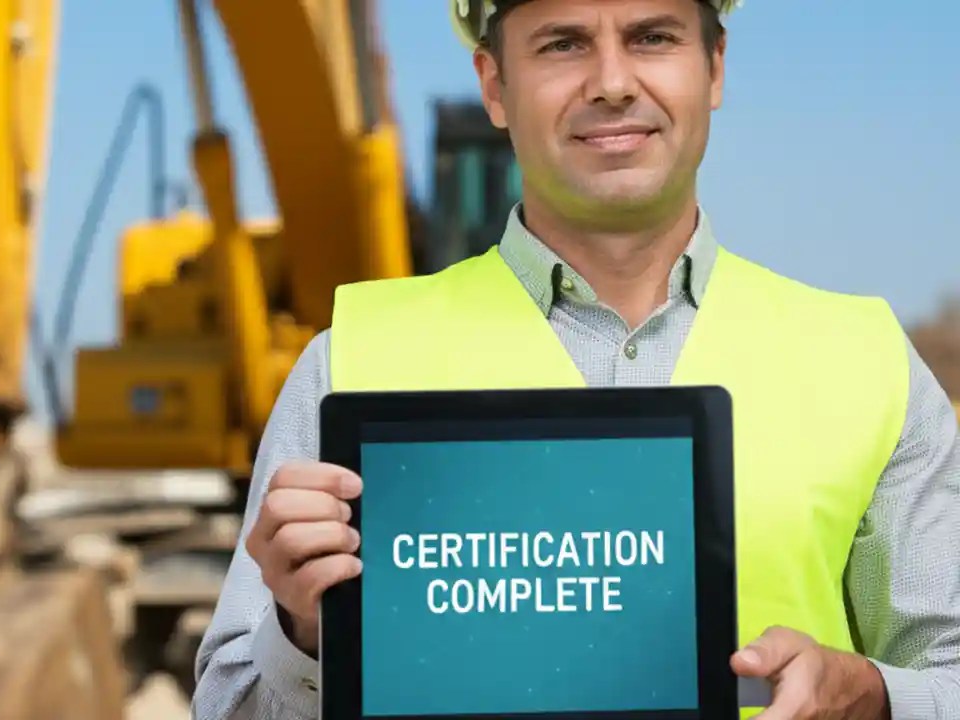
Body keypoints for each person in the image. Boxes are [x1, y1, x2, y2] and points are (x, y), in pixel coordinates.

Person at [192, 0, 960, 718]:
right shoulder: (349, 365)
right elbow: (227, 705)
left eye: (652, 37)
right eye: (563, 44)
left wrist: (875, 696)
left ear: (715, 67)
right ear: (495, 86)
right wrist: (305, 637)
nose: (614, 83)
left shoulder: (866, 363)